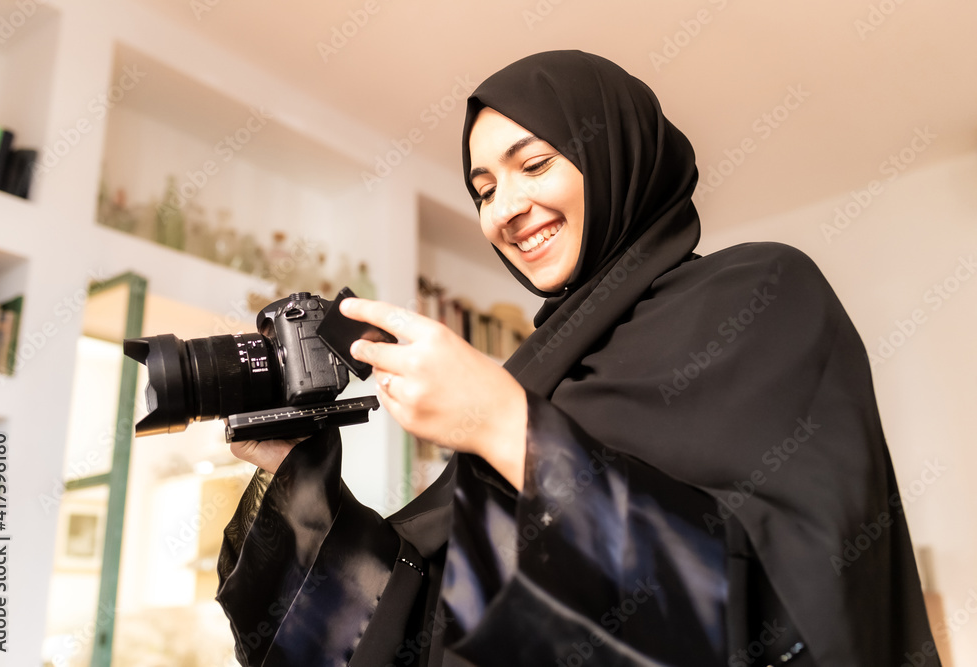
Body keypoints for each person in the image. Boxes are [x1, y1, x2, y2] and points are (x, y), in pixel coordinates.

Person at [217, 51, 939, 666]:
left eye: (533, 164)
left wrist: (502, 421)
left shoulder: (763, 293)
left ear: (615, 155)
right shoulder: (545, 371)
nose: (504, 209)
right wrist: (295, 474)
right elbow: (422, 621)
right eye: (485, 189)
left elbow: (782, 606)